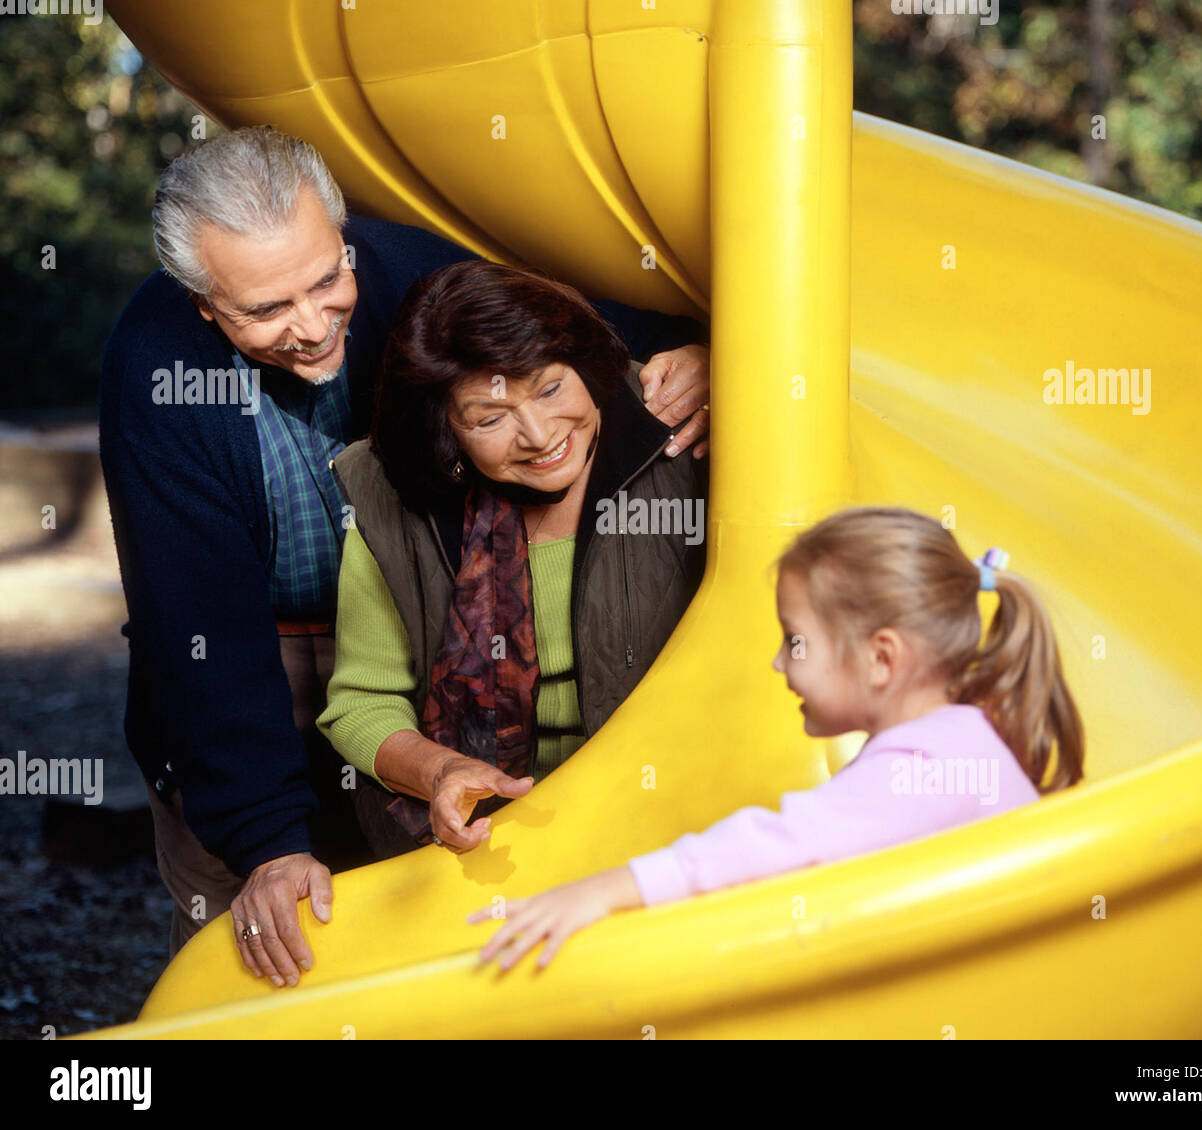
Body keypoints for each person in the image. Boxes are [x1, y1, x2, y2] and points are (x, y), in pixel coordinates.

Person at [99, 126, 712, 986]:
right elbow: (192, 625)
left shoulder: (403, 269)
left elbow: (557, 329)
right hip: (252, 659)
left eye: (326, 281)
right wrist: (267, 840)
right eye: (267, 311)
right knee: (265, 936)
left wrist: (695, 348)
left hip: (416, 626)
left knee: (406, 928)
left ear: (342, 235)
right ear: (205, 304)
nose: (312, 328)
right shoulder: (158, 372)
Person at [468, 506, 1086, 969]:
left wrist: (607, 889)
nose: (778, 664)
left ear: (881, 659)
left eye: (795, 641)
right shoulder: (956, 739)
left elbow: (787, 843)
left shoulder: (927, 763)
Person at [318, 259, 709, 862]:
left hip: (672, 821)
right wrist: (441, 770)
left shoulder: (678, 417)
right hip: (490, 845)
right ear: (445, 431)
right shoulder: (389, 492)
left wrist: (735, 368)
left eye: (551, 388)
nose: (539, 433)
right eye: (491, 418)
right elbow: (362, 703)